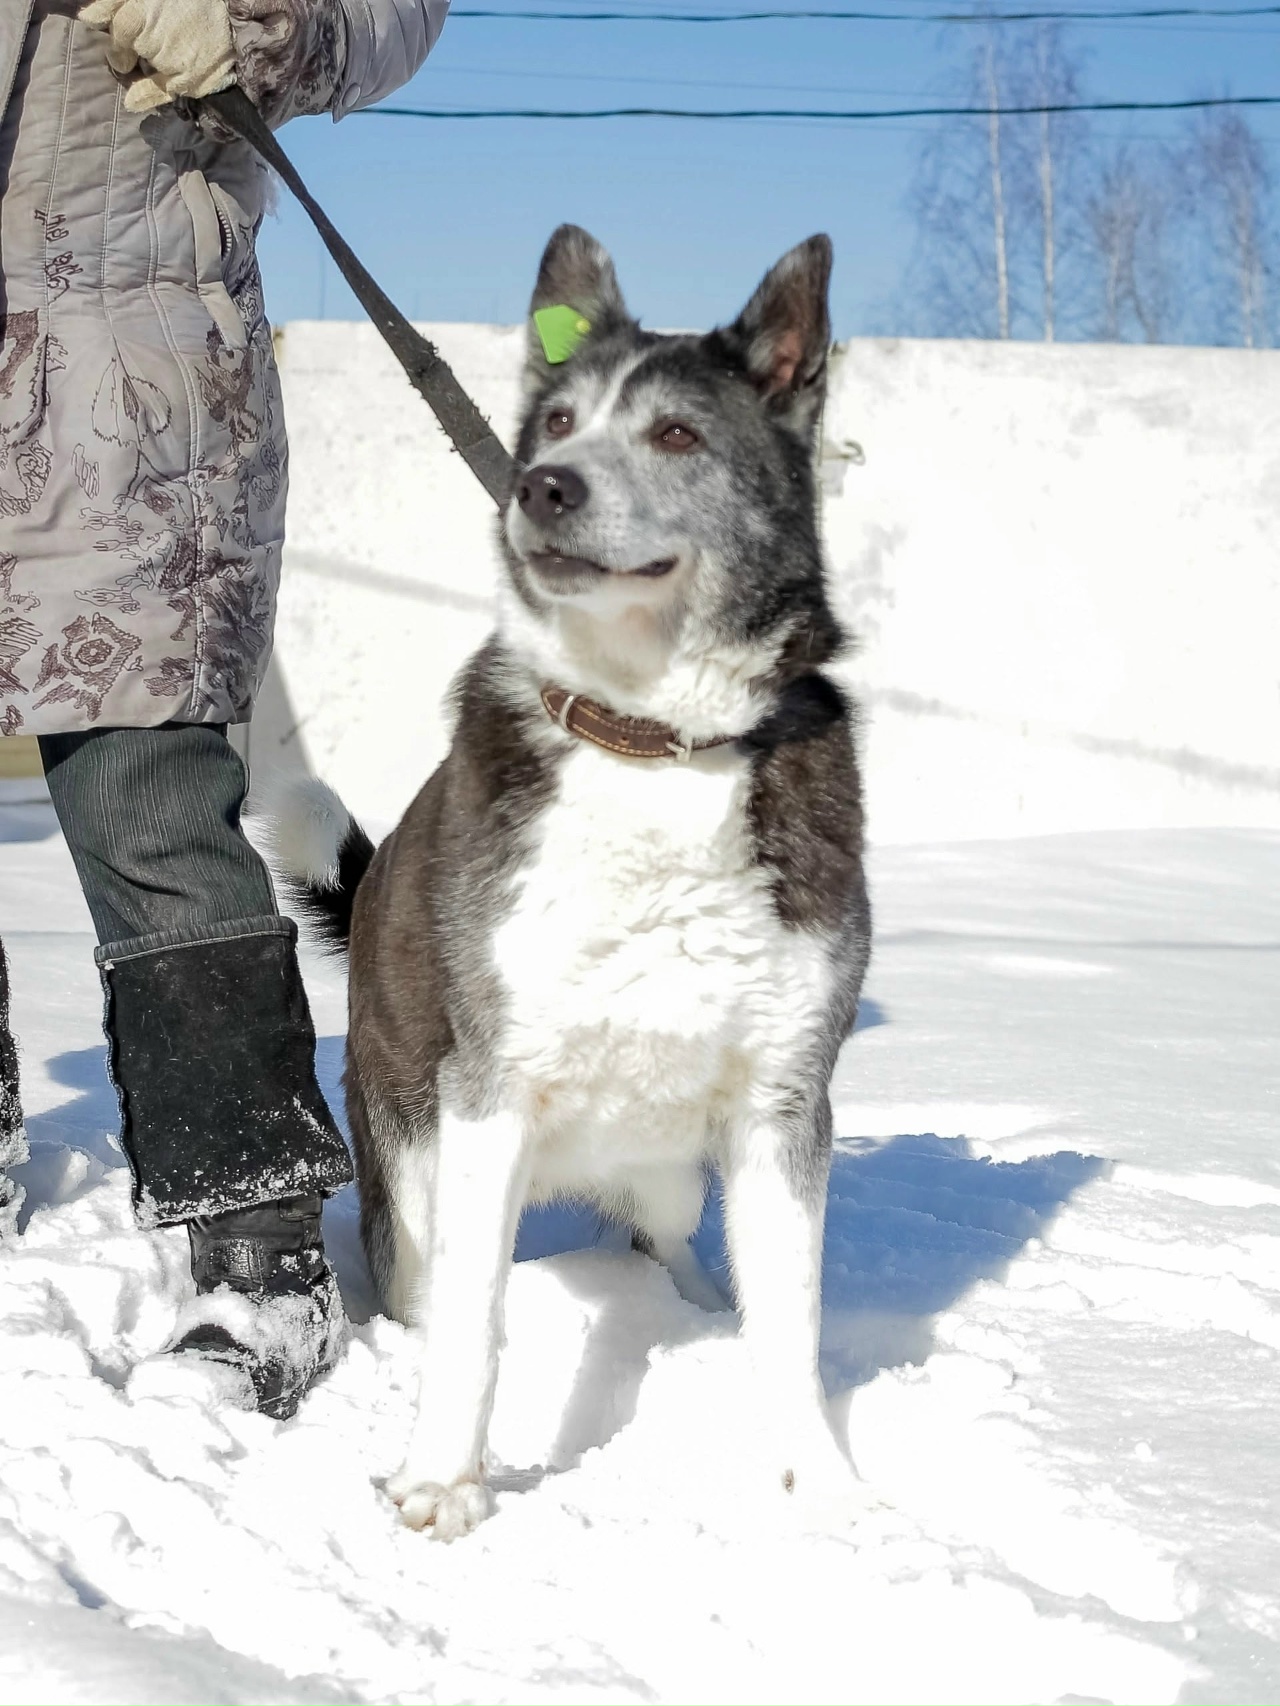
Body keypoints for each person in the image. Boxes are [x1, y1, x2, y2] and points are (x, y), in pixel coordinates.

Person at [0, 0, 449, 1416]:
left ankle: (260, 1251)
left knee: (145, 798)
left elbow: (399, 13)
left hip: (115, 394)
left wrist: (256, 27)